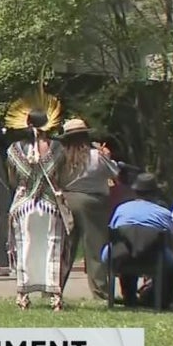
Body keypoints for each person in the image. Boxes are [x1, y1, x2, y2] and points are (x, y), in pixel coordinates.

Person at [3, 92, 69, 311]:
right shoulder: (58, 149)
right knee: (52, 246)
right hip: (50, 206)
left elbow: (13, 179)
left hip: (23, 206)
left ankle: (23, 295)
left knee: (25, 247)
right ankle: (55, 297)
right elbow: (62, 176)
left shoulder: (14, 150)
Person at [58, 118, 118, 299]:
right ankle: (100, 291)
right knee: (95, 248)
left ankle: (54, 288)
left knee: (64, 248)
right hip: (93, 202)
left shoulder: (60, 157)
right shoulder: (96, 156)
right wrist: (108, 156)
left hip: (67, 200)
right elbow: (115, 173)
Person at [101, 173, 173, 307]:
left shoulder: (121, 209)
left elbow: (113, 229)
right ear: (155, 193)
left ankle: (129, 296)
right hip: (153, 258)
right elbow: (170, 238)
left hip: (119, 256)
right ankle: (161, 297)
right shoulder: (163, 213)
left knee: (126, 247)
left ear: (135, 191)